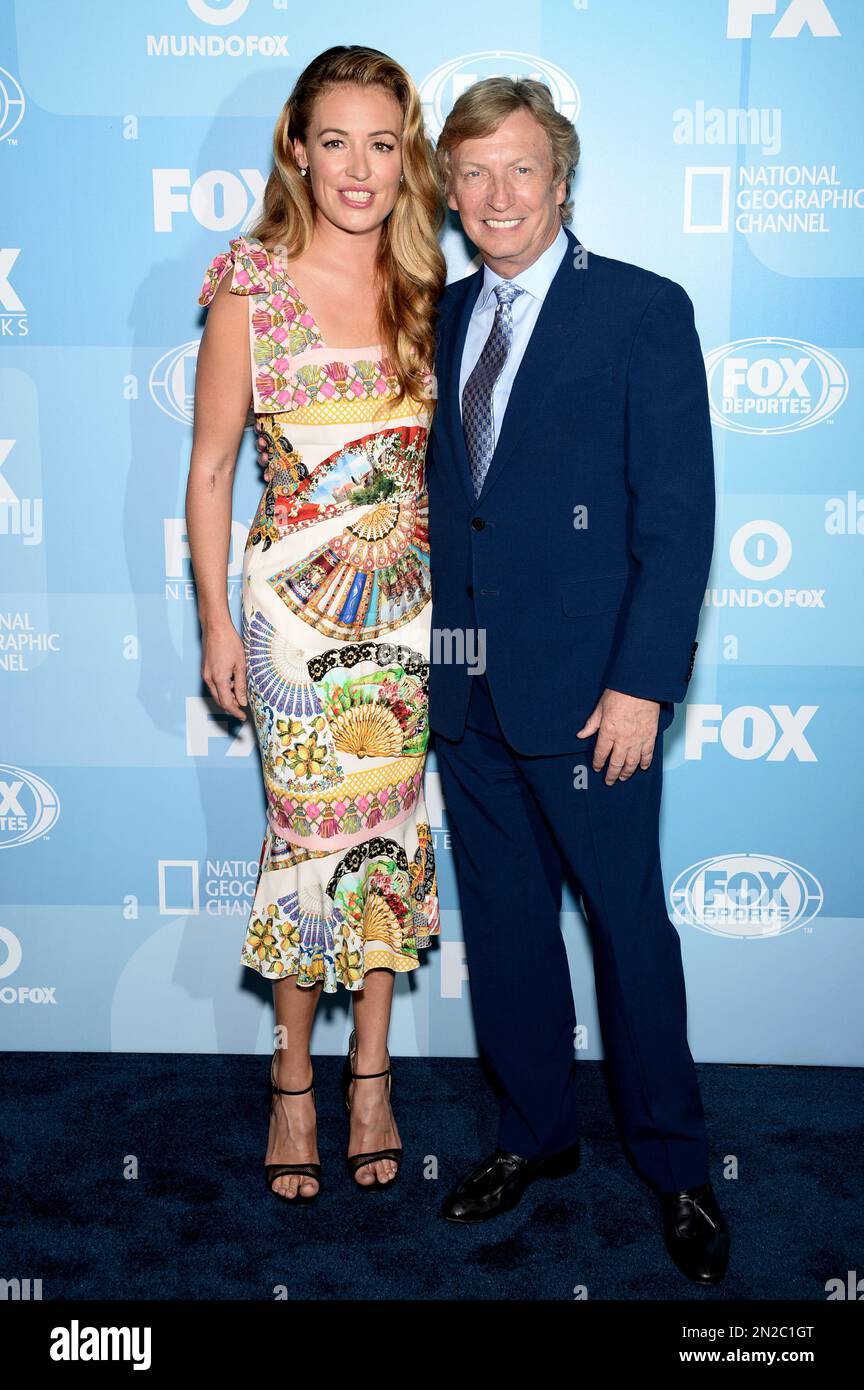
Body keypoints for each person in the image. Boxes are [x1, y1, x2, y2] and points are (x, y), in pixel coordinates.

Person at [426, 76, 729, 1284]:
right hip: (467, 694)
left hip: (597, 697)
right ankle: (532, 1138)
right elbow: (455, 520)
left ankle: (679, 1166)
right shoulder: (436, 317)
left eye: (521, 169)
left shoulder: (644, 312)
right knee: (503, 930)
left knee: (628, 934)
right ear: (448, 191)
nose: (498, 195)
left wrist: (644, 684)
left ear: (563, 179)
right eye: (473, 173)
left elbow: (680, 517)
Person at [188, 45, 446, 1203]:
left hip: (405, 611)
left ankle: (371, 1077)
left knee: (388, 832)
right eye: (334, 140)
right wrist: (214, 628)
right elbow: (207, 475)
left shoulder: (429, 283)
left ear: (408, 157)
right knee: (307, 842)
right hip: (290, 615)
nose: (358, 167)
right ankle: (294, 1073)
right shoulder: (250, 283)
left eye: (382, 143)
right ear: (296, 146)